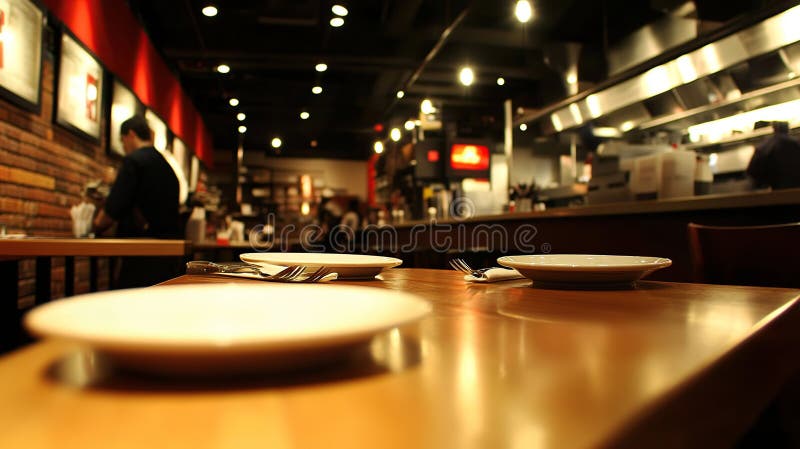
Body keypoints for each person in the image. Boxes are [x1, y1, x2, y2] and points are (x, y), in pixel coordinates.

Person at [93, 115, 183, 288]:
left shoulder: (134, 161)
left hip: (140, 252)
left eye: (122, 140)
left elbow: (114, 207)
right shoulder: (167, 167)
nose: (123, 146)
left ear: (131, 135)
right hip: (168, 255)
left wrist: (96, 225)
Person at [746, 121, 800, 190]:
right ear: (787, 128)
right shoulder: (797, 143)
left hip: (778, 192)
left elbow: (753, 173)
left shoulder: (765, 146)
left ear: (774, 128)